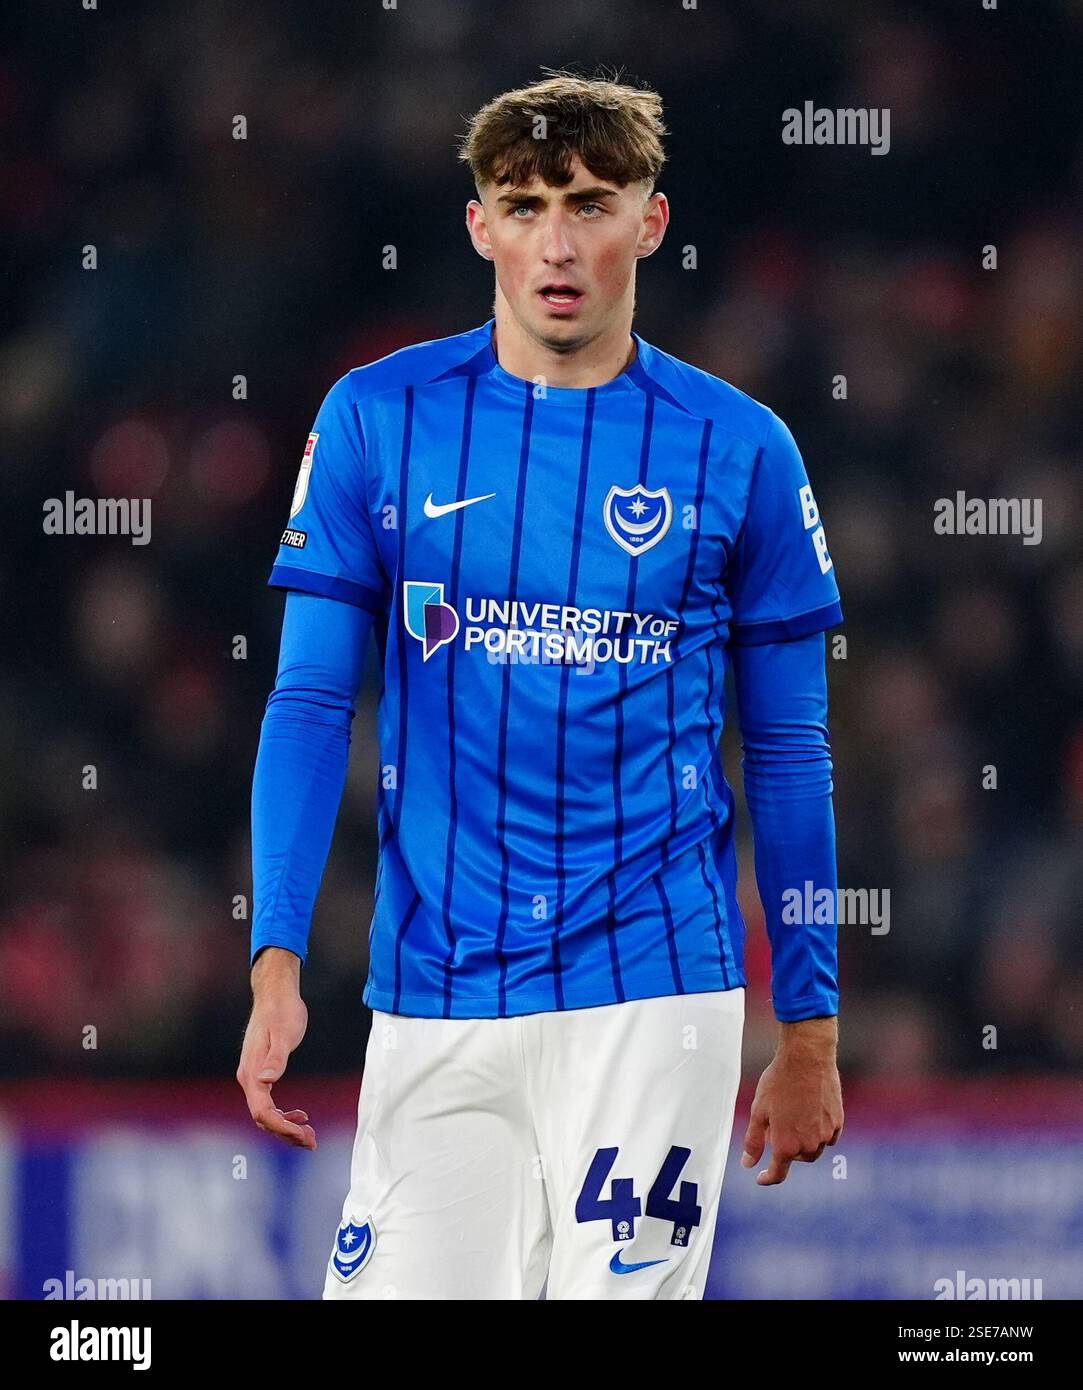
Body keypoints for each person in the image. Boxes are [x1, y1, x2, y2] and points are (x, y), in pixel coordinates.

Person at [237, 69, 844, 1301]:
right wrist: (276, 958)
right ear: (480, 226)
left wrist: (811, 1027)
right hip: (436, 985)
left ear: (650, 221)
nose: (558, 244)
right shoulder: (377, 419)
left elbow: (790, 750)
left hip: (655, 987)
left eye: (589, 204)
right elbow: (307, 704)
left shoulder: (741, 449)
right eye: (525, 206)